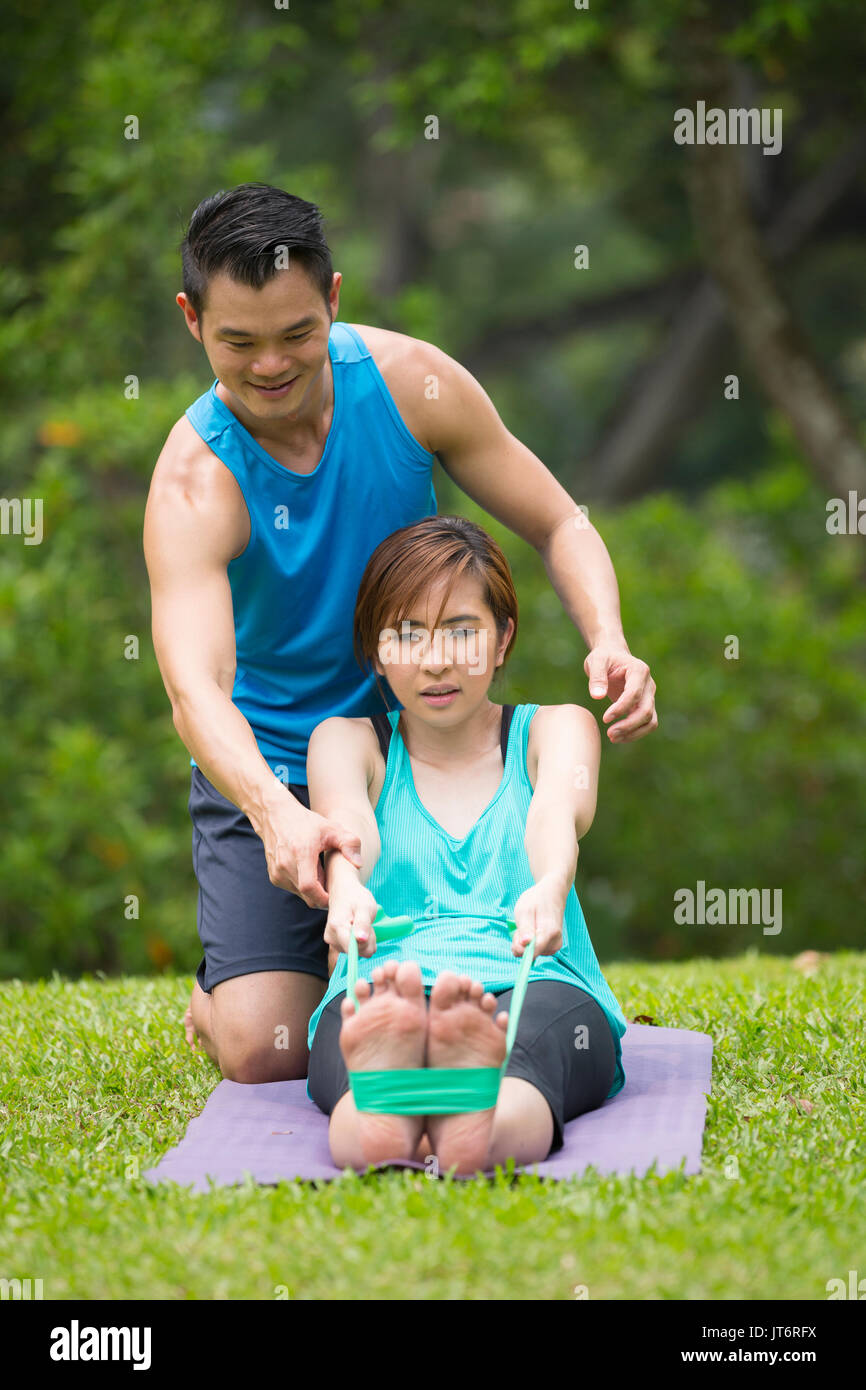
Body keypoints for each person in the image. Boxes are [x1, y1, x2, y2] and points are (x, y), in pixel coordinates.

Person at [142, 183, 656, 1086]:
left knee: (455, 989)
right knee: (269, 1050)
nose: (271, 365)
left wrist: (608, 637)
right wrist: (276, 815)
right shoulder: (196, 481)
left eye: (297, 334)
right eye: (239, 342)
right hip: (268, 763)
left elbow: (560, 522)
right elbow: (196, 690)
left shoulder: (413, 385)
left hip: (419, 739)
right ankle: (227, 986)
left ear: (333, 299)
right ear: (193, 320)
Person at [305, 515, 627, 1175]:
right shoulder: (347, 742)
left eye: (461, 631)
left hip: (531, 979)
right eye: (406, 634)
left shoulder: (557, 730)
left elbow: (556, 812)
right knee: (371, 1051)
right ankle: (423, 1103)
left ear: (503, 639)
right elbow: (347, 826)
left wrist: (549, 885)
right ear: (375, 650)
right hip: (383, 985)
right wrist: (345, 891)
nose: (437, 660)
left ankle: (452, 1111)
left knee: (522, 1070)